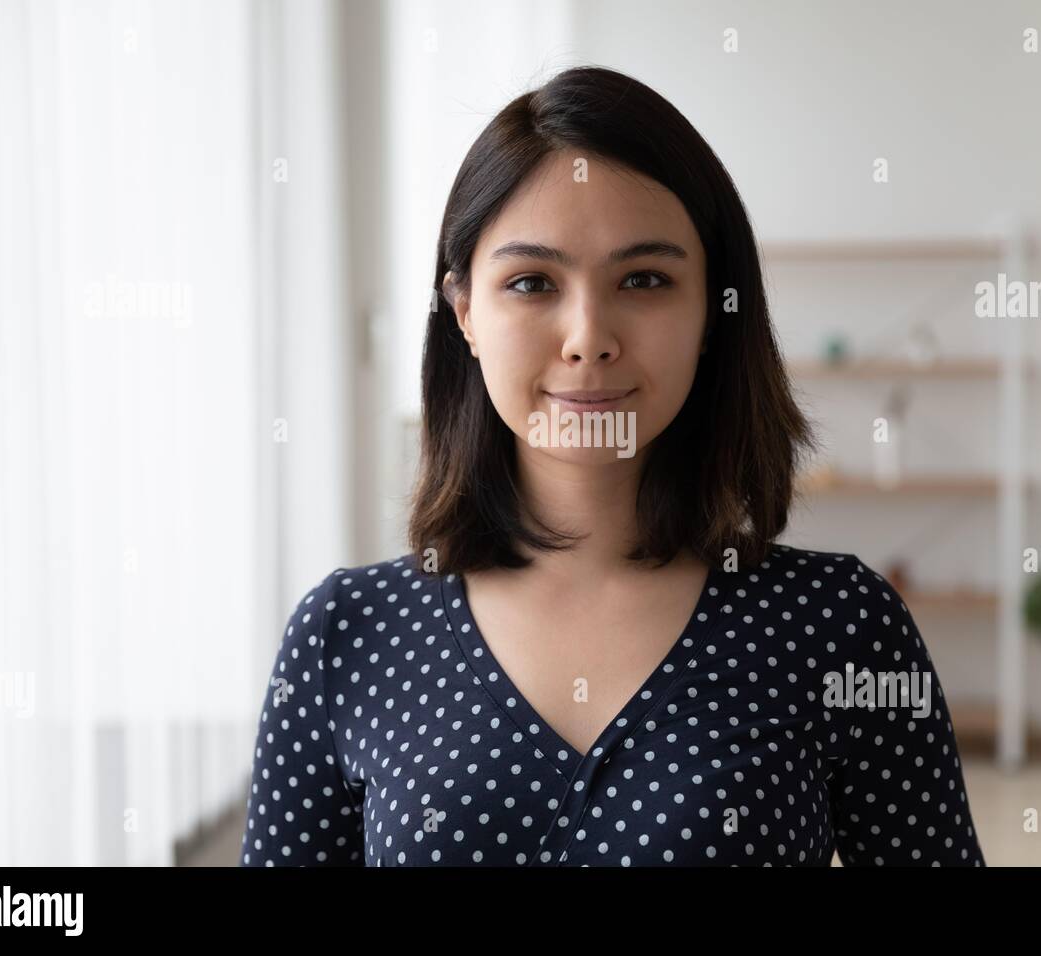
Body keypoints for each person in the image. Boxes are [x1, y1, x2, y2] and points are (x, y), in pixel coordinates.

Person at [240, 65, 985, 867]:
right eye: (531, 282)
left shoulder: (840, 626)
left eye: (644, 280)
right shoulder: (347, 636)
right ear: (464, 313)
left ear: (712, 311)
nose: (588, 335)